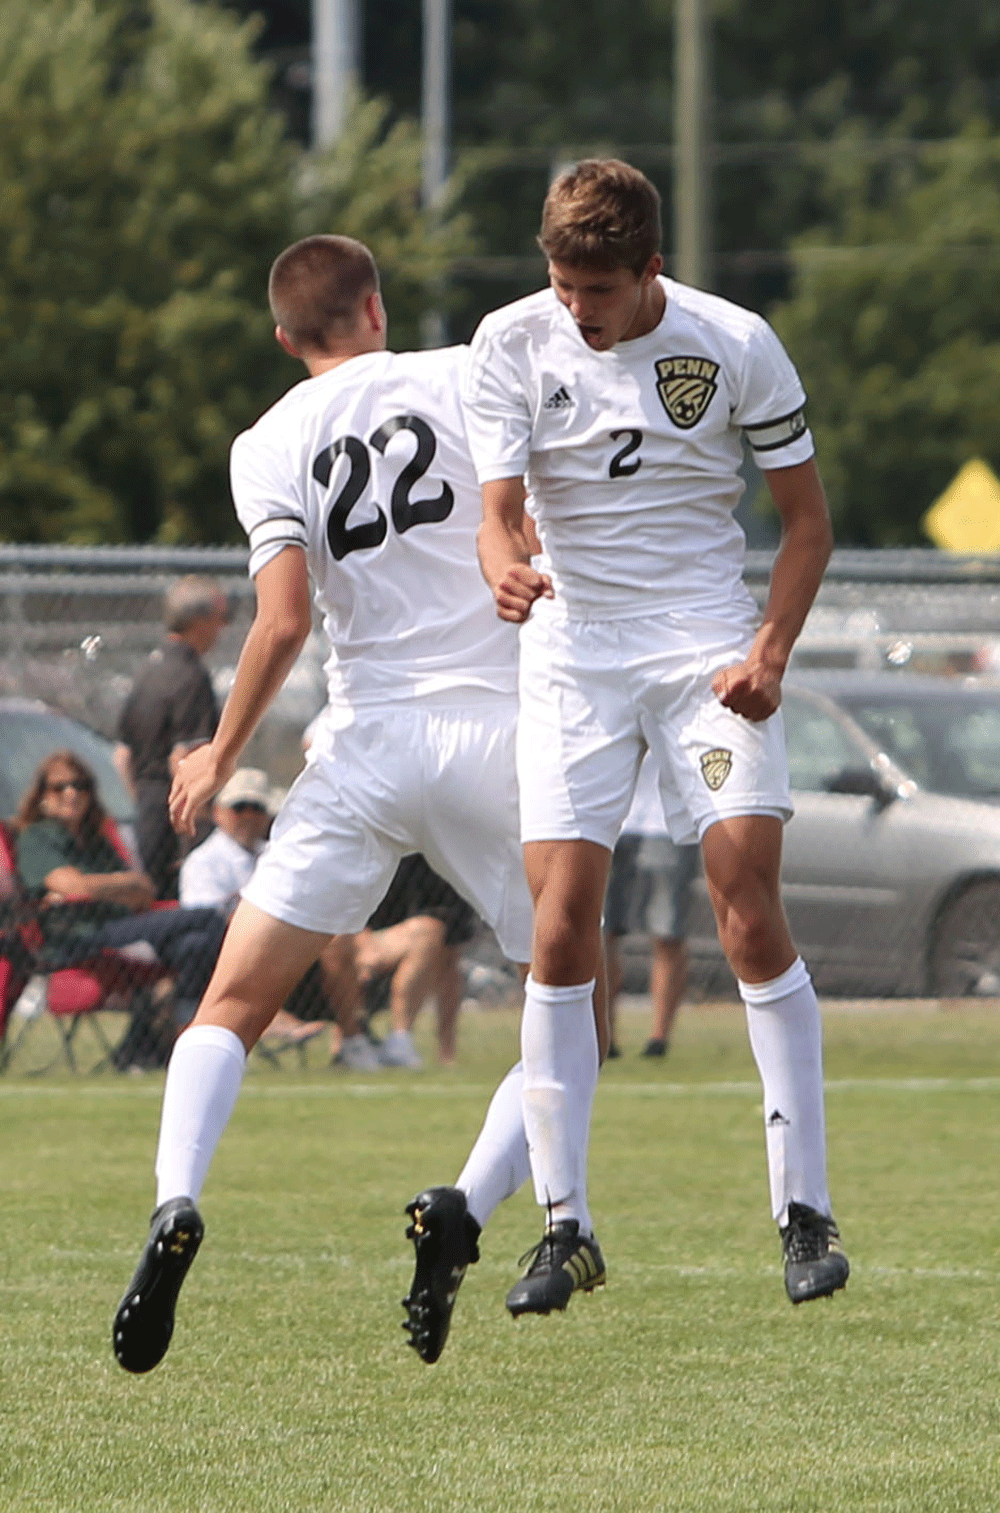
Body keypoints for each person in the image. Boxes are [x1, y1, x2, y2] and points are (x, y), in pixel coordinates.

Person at [111, 234, 599, 1378]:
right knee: (575, 1003)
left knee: (228, 1002)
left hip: (363, 741)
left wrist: (215, 752)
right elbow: (531, 522)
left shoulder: (267, 438)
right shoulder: (460, 372)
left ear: (286, 339)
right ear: (376, 307)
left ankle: (177, 1197)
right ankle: (465, 1208)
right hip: (496, 733)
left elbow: (281, 621)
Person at [462, 157, 849, 1309]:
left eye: (598, 290)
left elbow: (805, 525)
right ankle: (564, 1225)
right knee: (560, 930)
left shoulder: (734, 344)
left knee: (744, 908)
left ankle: (802, 1211)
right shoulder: (508, 343)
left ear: (651, 272)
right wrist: (505, 571)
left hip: (702, 655)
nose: (575, 308)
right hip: (573, 657)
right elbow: (494, 518)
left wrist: (768, 654)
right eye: (560, 281)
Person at [14, 751, 227, 1069]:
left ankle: (144, 1044)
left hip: (121, 929)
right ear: (43, 795)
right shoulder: (36, 837)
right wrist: (117, 884)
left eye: (80, 785)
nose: (72, 793)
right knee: (208, 917)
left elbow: (144, 890)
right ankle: (178, 1020)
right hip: (73, 939)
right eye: (60, 787)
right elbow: (73, 886)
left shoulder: (96, 839)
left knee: (195, 943)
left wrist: (101, 885)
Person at [178, 767, 328, 1051]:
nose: (248, 816)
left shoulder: (277, 854)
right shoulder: (204, 861)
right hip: (225, 958)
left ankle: (352, 1038)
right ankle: (270, 1018)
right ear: (218, 812)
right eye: (239, 807)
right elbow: (204, 921)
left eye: (257, 808)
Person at [115, 576, 228, 900]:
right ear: (199, 621)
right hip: (179, 818)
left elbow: (122, 757)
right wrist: (195, 823)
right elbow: (183, 758)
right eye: (219, 619)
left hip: (147, 811)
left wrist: (145, 804)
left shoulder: (147, 672)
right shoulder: (192, 676)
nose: (222, 629)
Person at [604, 754, 699, 1058]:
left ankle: (658, 1039)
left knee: (667, 931)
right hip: (610, 817)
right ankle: (605, 1033)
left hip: (668, 819)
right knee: (601, 931)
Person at [359, 852, 477, 1067]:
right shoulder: (375, 851)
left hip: (402, 947)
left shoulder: (446, 867)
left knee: (435, 939)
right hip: (360, 948)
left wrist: (447, 1055)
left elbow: (451, 964)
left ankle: (402, 1040)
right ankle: (350, 1042)